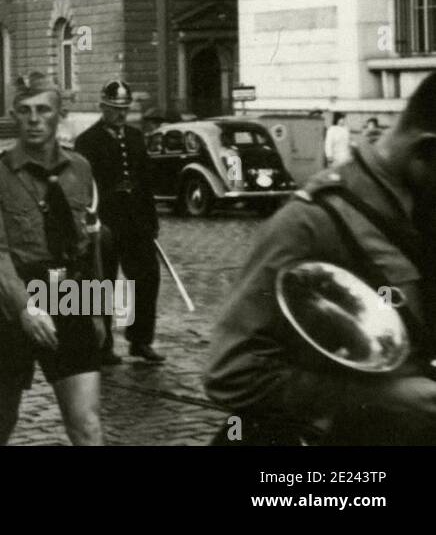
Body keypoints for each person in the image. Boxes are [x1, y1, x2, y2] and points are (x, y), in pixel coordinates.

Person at [205, 72, 436, 445]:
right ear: (426, 152)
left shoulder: (420, 204)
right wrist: (381, 399)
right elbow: (230, 372)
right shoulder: (310, 223)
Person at [0, 72, 106, 445]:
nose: (34, 119)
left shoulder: (80, 169)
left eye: (44, 110)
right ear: (14, 115)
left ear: (60, 113)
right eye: (25, 111)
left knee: (87, 425)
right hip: (12, 300)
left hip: (70, 295)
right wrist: (24, 308)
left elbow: (89, 243)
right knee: (2, 418)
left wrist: (96, 309)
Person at [74, 80, 164, 365]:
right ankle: (102, 345)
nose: (120, 114)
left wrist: (152, 220)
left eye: (124, 109)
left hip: (137, 222)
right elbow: (84, 188)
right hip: (106, 223)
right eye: (114, 109)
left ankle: (140, 340)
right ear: (102, 107)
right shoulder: (87, 141)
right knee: (103, 283)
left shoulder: (137, 138)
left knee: (147, 278)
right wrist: (91, 224)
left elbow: (146, 182)